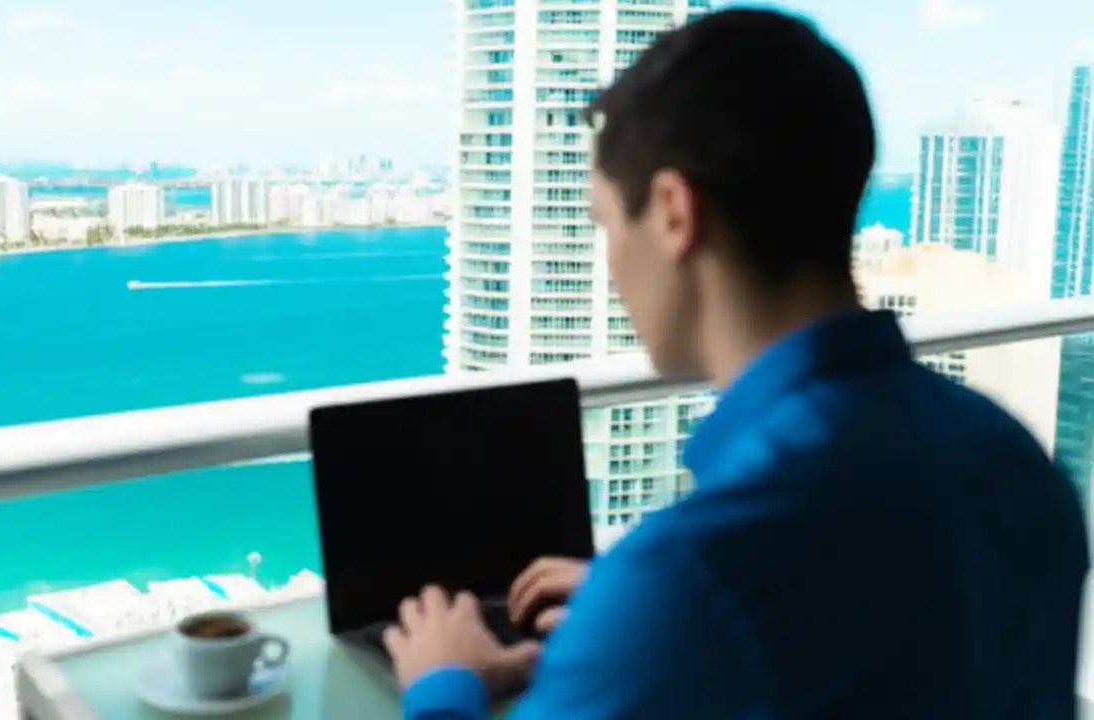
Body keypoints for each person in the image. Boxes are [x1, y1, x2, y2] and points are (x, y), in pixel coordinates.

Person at [383, 7, 1090, 719]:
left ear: (672, 212)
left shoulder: (693, 579)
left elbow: (745, 602)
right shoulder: (1014, 463)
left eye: (603, 222)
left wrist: (446, 682)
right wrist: (625, 609)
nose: (609, 262)